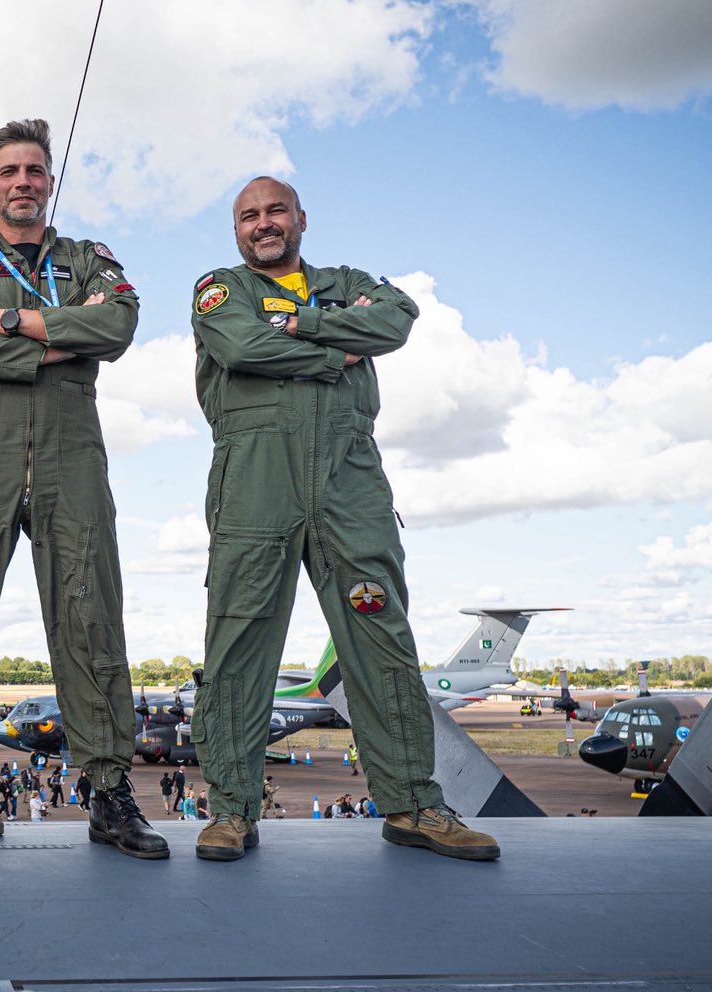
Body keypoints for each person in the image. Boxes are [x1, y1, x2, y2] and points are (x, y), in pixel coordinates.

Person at [187, 177, 500, 864]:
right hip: (254, 484)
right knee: (238, 647)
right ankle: (232, 811)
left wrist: (300, 323)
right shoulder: (221, 289)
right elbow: (241, 348)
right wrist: (337, 350)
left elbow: (393, 322)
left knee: (380, 639)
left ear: (301, 218)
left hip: (349, 482)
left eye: (275, 211)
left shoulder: (349, 280)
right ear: (236, 230)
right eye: (249, 216)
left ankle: (413, 804)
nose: (263, 224)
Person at [0, 119, 165, 862]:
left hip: (70, 454)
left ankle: (110, 795)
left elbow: (116, 324)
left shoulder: (88, 258)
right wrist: (60, 341)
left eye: (35, 170)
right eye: (9, 171)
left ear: (50, 182)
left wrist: (17, 321)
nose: (23, 181)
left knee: (90, 622)